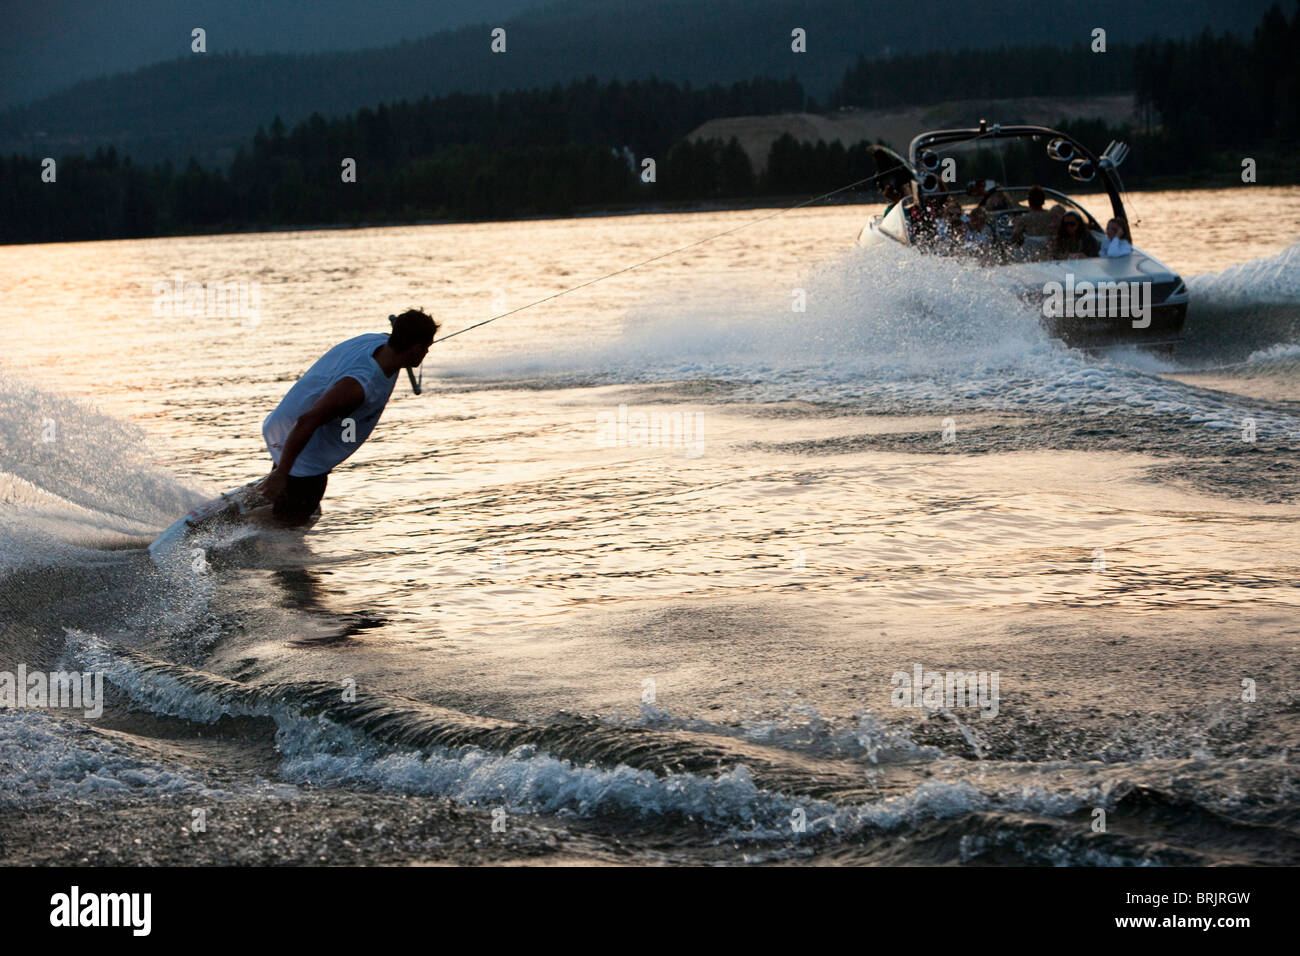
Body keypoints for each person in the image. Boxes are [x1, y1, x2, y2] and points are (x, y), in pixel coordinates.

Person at [254, 310, 437, 525]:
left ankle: (266, 492)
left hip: (286, 428)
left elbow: (341, 423)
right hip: (304, 444)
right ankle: (236, 530)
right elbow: (309, 421)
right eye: (426, 348)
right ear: (416, 349)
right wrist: (283, 473)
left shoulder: (377, 341)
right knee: (293, 520)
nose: (426, 353)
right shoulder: (359, 386)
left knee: (304, 508)